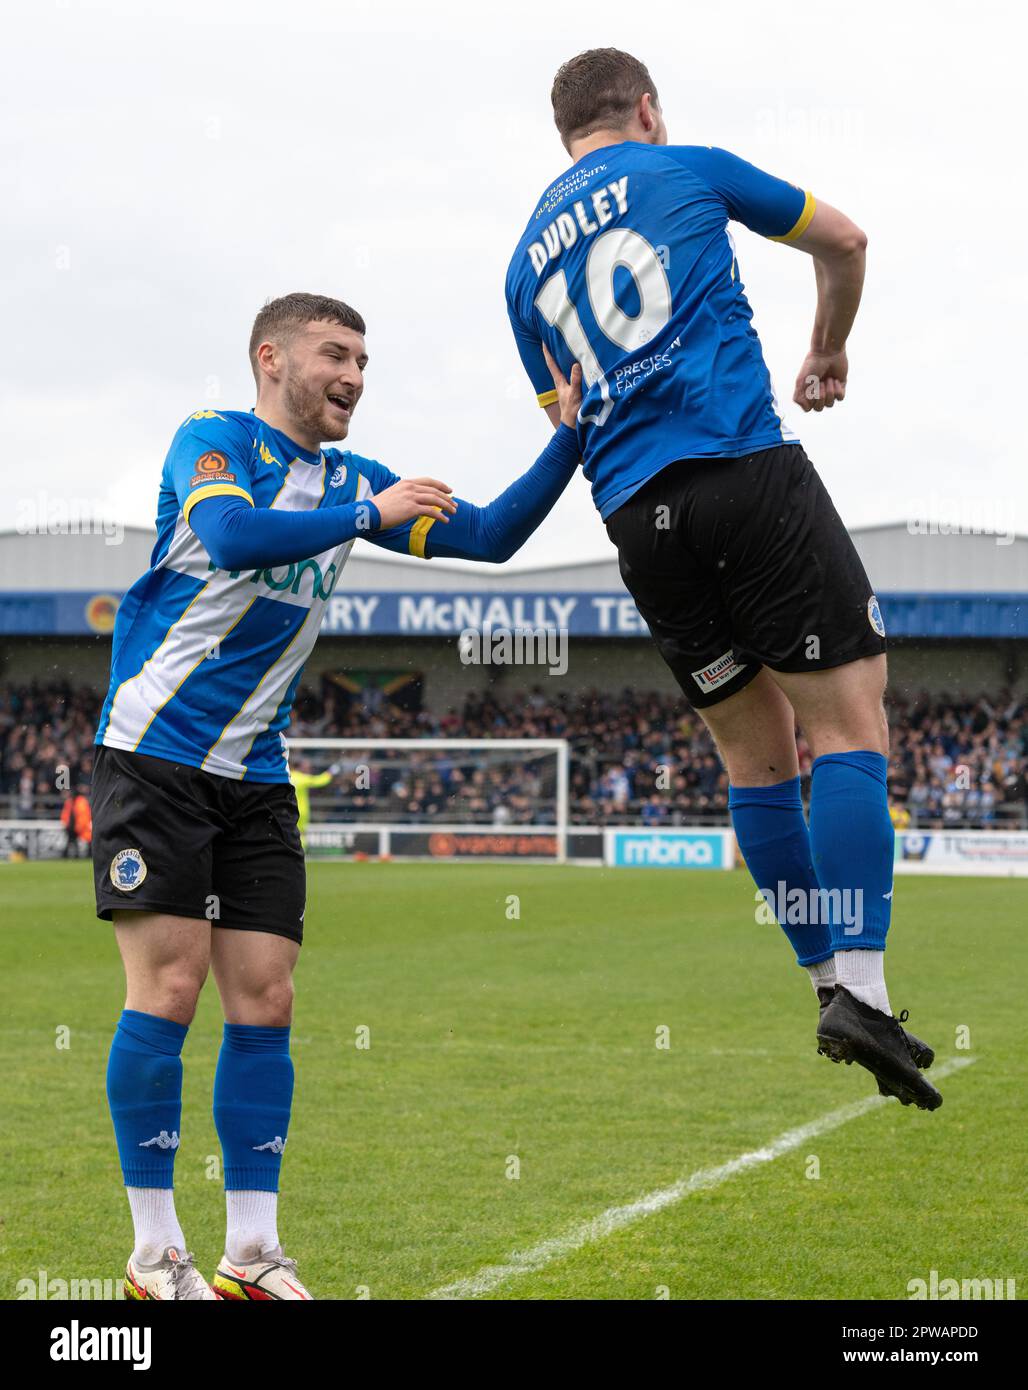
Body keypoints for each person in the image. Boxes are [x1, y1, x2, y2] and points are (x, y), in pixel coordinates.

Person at [91, 292, 582, 1300]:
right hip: (156, 755)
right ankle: (153, 1257)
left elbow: (485, 539)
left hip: (256, 777)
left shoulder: (355, 477)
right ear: (270, 358)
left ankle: (253, 1256)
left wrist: (570, 440)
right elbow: (227, 539)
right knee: (169, 994)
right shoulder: (212, 440)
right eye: (334, 354)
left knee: (265, 1000)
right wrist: (367, 516)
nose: (353, 374)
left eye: (363, 358)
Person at [505, 49, 940, 1110]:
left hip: (636, 521)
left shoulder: (520, 268)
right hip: (740, 467)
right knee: (844, 728)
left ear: (563, 132)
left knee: (753, 762)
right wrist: (826, 347)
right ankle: (868, 987)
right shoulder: (684, 165)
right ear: (644, 109)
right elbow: (844, 238)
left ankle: (825, 982)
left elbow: (564, 420)